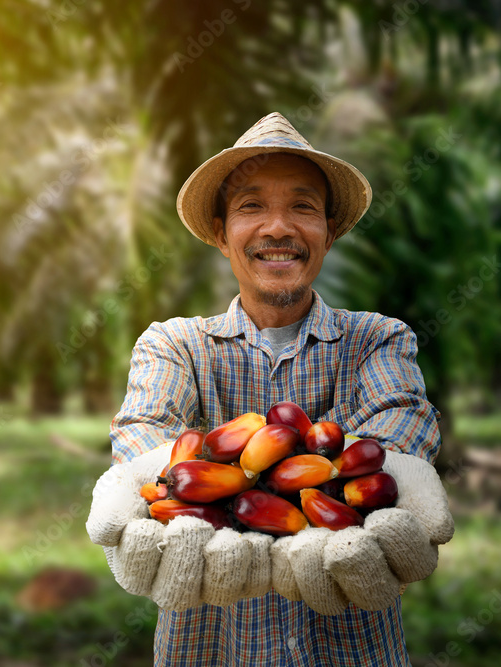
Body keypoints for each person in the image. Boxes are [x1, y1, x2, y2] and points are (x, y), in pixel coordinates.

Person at [101, 113, 447, 665]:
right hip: (211, 647)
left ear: (329, 233)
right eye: (251, 206)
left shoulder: (377, 339)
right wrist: (155, 475)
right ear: (221, 233)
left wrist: (394, 466)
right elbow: (146, 429)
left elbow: (400, 415)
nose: (278, 227)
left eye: (303, 207)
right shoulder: (175, 345)